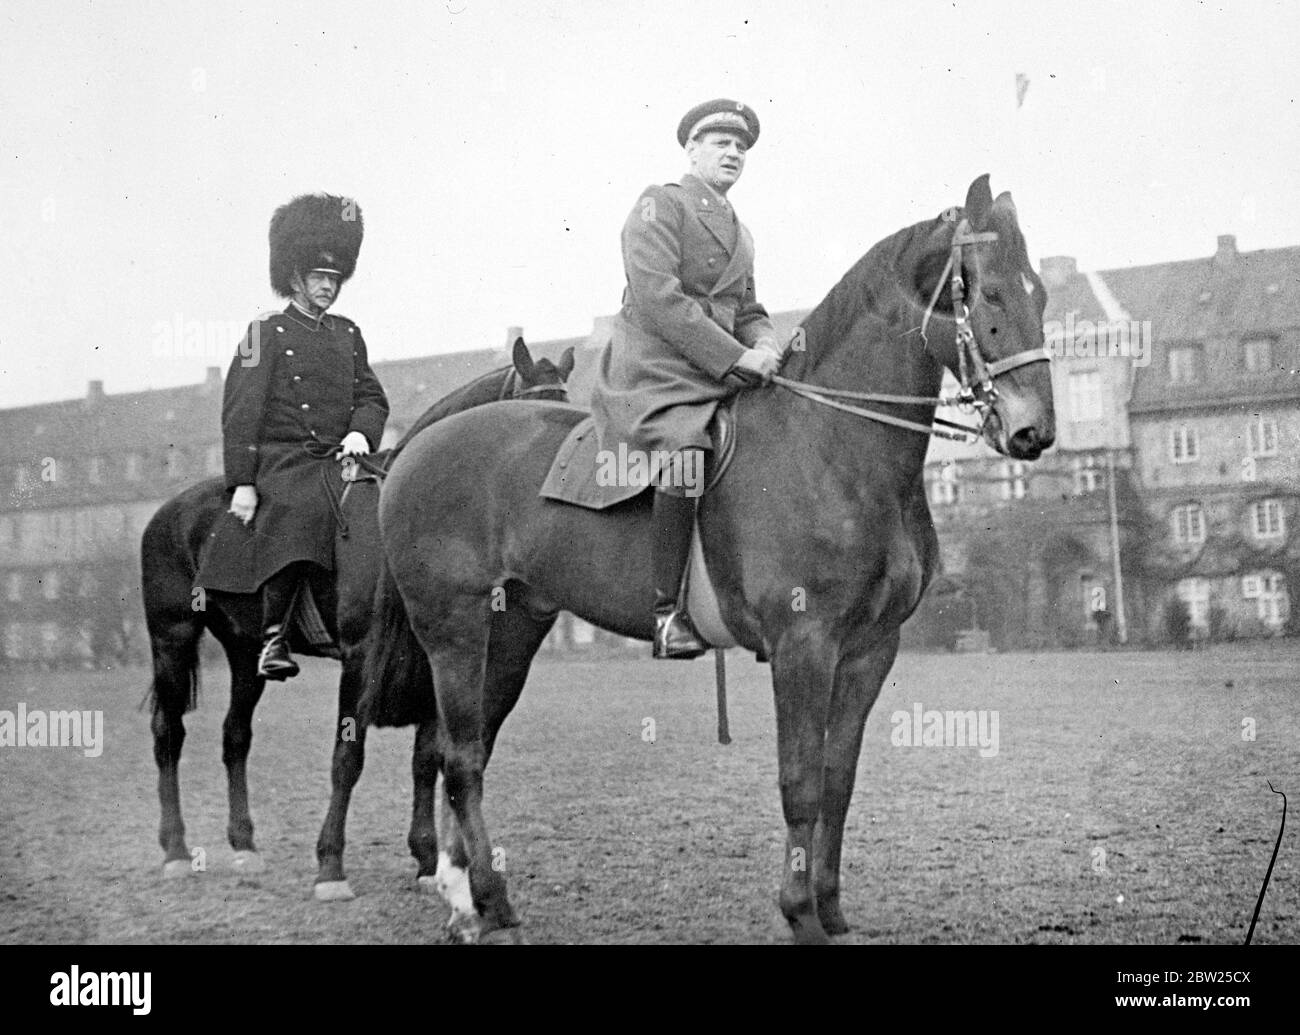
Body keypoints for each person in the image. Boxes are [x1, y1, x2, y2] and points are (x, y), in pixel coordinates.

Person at [589, 99, 783, 659]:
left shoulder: (741, 234)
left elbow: (749, 309)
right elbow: (657, 298)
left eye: (741, 147)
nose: (733, 154)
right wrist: (734, 357)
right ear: (691, 149)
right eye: (721, 143)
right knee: (687, 450)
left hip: (715, 368)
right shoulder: (660, 205)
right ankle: (666, 613)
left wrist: (766, 342)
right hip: (656, 368)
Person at [196, 193, 389, 680]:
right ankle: (274, 638)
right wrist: (242, 481)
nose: (328, 288)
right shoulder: (266, 333)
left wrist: (361, 434)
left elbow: (372, 397)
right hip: (284, 460)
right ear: (296, 278)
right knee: (304, 509)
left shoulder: (349, 334)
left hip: (340, 456)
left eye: (334, 279)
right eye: (319, 278)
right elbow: (240, 414)